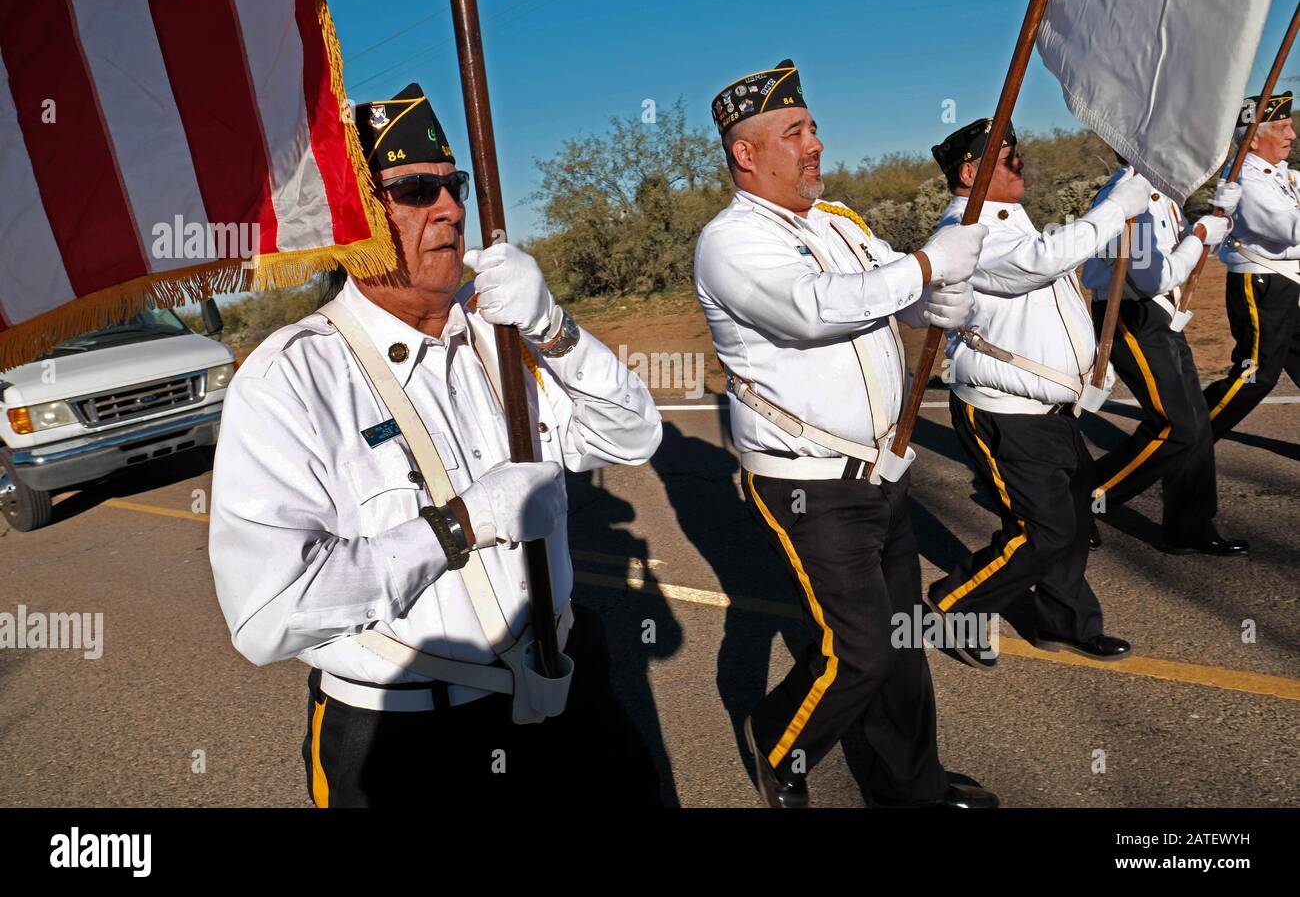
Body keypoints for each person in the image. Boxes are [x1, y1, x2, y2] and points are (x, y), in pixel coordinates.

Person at [209, 83, 664, 807]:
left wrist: (553, 326)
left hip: (566, 687)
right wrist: (458, 524)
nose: (452, 208)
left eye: (454, 186)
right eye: (418, 191)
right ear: (352, 223)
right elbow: (268, 614)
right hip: (410, 741)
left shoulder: (501, 330)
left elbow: (632, 433)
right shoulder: (289, 380)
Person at [695, 60, 997, 809]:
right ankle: (779, 743)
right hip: (808, 482)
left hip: (882, 469)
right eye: (795, 132)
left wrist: (937, 301)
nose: (815, 144)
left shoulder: (838, 224)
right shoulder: (730, 241)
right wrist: (930, 263)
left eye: (814, 127)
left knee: (899, 645)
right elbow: (815, 309)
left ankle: (912, 788)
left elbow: (889, 295)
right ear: (746, 153)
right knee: (858, 649)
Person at [925, 118, 1148, 667]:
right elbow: (1035, 267)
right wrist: (1111, 210)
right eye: (1006, 156)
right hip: (1005, 414)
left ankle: (1064, 622)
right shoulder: (963, 232)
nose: (1019, 161)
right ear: (971, 172)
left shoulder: (1015, 225)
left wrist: (1086, 370)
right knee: (1042, 531)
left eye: (1016, 151)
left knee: (1071, 526)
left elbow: (1056, 284)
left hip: (1051, 411)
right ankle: (954, 607)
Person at [1081, 157, 1247, 555]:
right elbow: (1152, 275)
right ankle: (1080, 501)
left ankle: (1188, 526)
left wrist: (1215, 219)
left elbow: (1177, 251)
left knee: (1196, 426)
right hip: (1129, 314)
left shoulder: (1160, 194)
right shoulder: (1125, 196)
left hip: (1160, 314)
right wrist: (1202, 234)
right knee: (1177, 427)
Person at [1203, 92, 1300, 438]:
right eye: (1284, 128)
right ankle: (1186, 437)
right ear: (1255, 138)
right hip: (1262, 283)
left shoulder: (1279, 173)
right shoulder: (1245, 177)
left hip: (1288, 283)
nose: (1292, 135)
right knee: (1254, 375)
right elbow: (1288, 228)